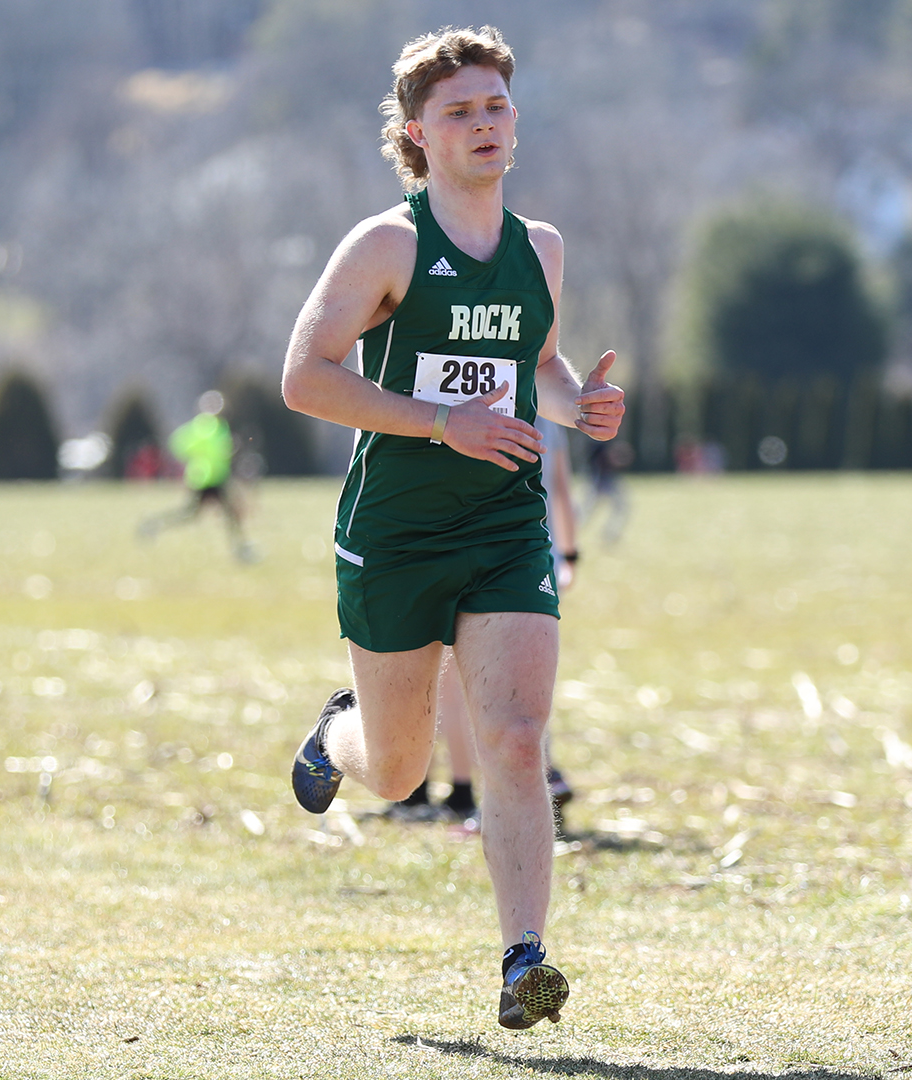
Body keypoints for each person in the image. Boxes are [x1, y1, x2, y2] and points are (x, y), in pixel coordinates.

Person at [279, 26, 623, 1030]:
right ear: (418, 135)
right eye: (459, 111)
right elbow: (305, 377)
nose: (483, 124)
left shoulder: (540, 249)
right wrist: (441, 423)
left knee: (515, 739)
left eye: (496, 106)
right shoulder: (387, 244)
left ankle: (525, 959)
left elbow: (539, 370)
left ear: (517, 121)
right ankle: (335, 732)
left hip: (505, 522)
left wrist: (579, 406)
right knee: (399, 771)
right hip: (395, 531)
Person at [388, 419, 579, 830]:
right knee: (519, 685)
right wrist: (570, 553)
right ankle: (533, 775)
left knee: (459, 684)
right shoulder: (544, 408)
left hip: (478, 548)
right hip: (530, 555)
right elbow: (560, 486)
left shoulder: (476, 402)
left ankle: (456, 791)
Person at [139, 389, 254, 561]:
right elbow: (182, 445)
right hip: (206, 479)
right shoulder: (205, 427)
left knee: (223, 514)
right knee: (195, 514)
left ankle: (241, 549)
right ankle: (241, 550)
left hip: (213, 478)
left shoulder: (214, 427)